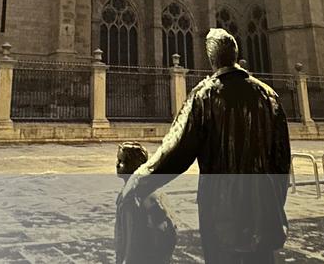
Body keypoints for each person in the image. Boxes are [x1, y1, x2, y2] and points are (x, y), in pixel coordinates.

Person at [118, 28, 291, 264]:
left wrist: (140, 179)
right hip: (263, 207)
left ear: (211, 59)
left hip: (221, 210)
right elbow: (282, 160)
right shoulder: (268, 96)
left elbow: (176, 150)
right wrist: (272, 201)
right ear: (234, 54)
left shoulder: (205, 96)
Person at [114, 142, 176, 263]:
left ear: (134, 165)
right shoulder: (151, 190)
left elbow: (131, 240)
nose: (117, 165)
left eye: (121, 161)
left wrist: (126, 260)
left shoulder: (132, 197)